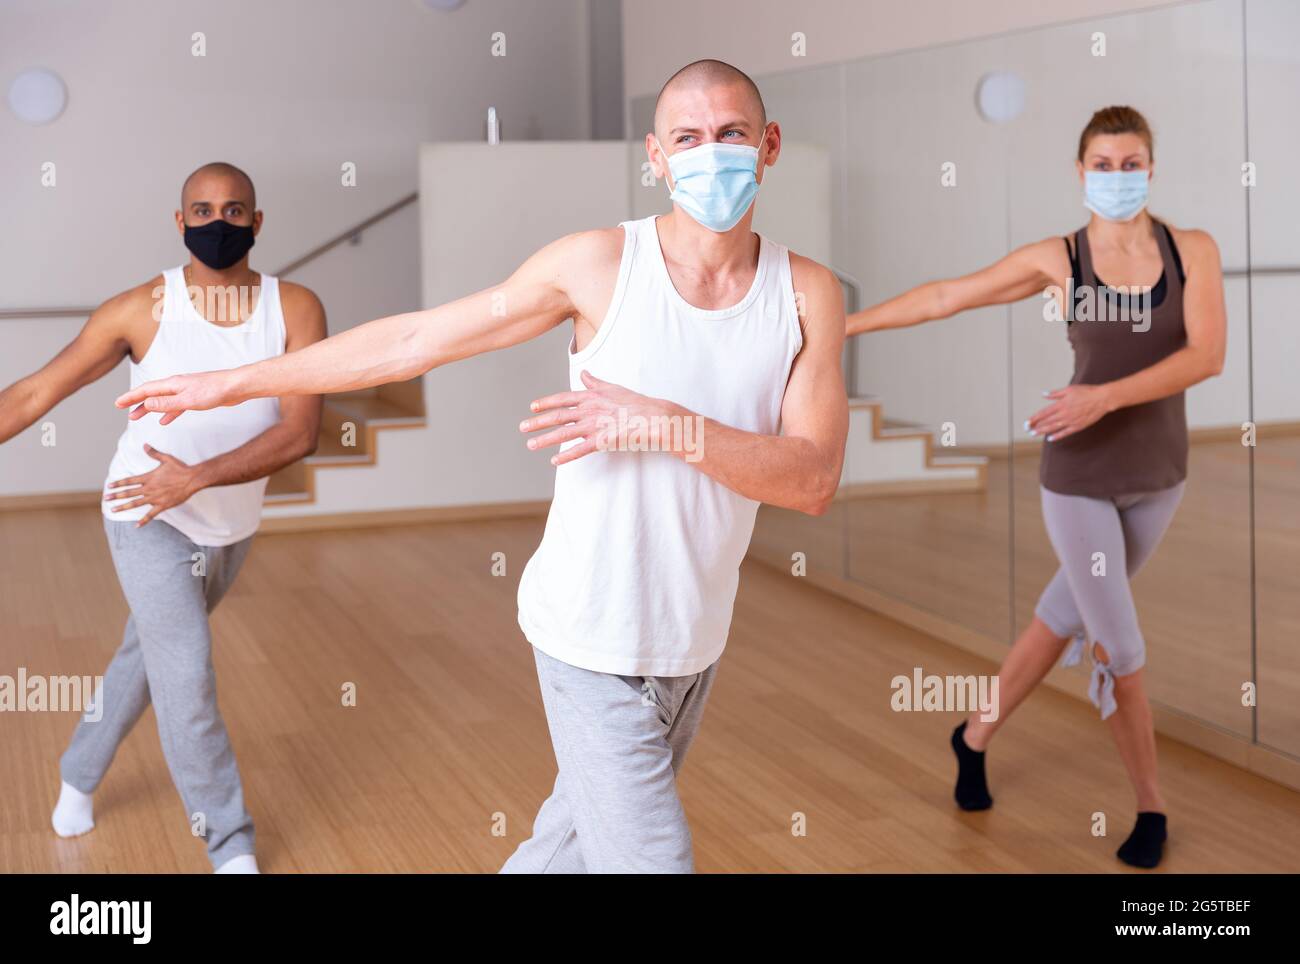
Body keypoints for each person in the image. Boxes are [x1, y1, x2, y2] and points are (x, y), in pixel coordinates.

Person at [114, 60, 850, 873]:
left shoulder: (807, 294)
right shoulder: (599, 265)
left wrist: (663, 424)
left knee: (563, 854)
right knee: (651, 861)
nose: (711, 155)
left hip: (693, 639)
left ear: (769, 143)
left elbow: (811, 480)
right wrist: (231, 381)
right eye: (688, 138)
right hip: (587, 633)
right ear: (657, 155)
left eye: (732, 134)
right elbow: (415, 339)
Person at [846, 106, 1226, 869]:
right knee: (1117, 643)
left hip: (1159, 479)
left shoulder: (1193, 252)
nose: (1117, 177)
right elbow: (946, 296)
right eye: (1102, 164)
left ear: (1151, 168)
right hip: (1079, 478)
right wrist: (841, 329)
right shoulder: (1060, 259)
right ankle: (1150, 805)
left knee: (1060, 620)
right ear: (1079, 171)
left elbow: (1205, 357)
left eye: (1131, 163)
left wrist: (1103, 397)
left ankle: (973, 733)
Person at [0, 162, 326, 873]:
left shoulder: (294, 308)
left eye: (235, 211)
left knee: (146, 659)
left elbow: (300, 434)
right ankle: (231, 844)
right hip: (144, 510)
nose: (218, 223)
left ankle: (78, 772)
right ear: (179, 223)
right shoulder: (138, 310)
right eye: (202, 210)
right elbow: (31, 395)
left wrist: (199, 478)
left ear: (257, 223)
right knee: (189, 674)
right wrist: (174, 486)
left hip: (227, 523)